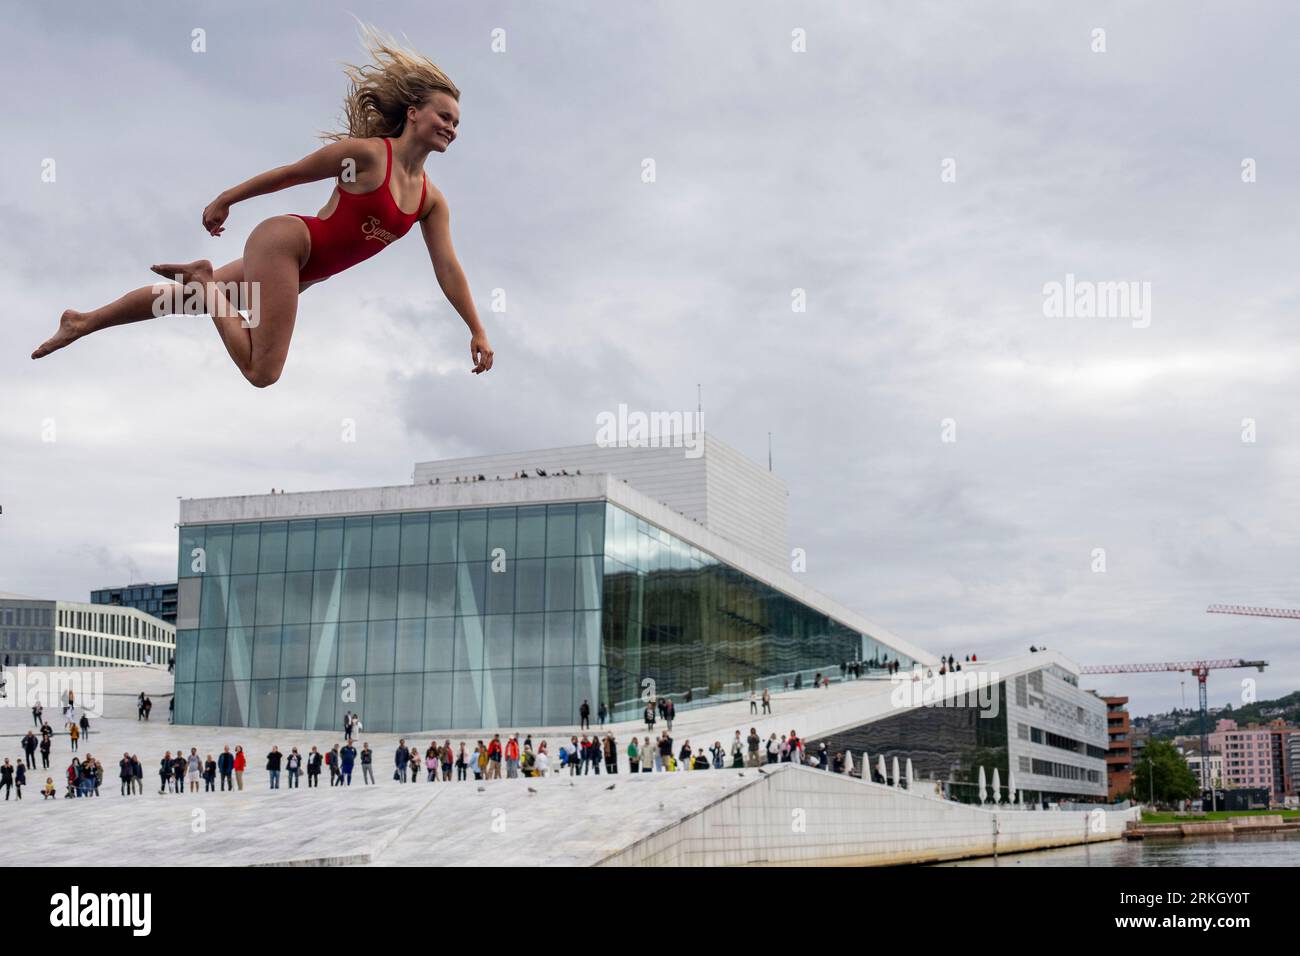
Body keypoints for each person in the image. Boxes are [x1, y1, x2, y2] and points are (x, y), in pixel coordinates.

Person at [32, 28, 495, 391]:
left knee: (179, 303)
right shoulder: (371, 155)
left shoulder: (431, 202)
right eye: (443, 116)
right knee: (262, 371)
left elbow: (448, 270)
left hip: (300, 272)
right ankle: (204, 279)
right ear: (414, 113)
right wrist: (226, 198)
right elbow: (292, 174)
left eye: (456, 122)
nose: (451, 127)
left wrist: (476, 328)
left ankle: (83, 320)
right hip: (286, 246)